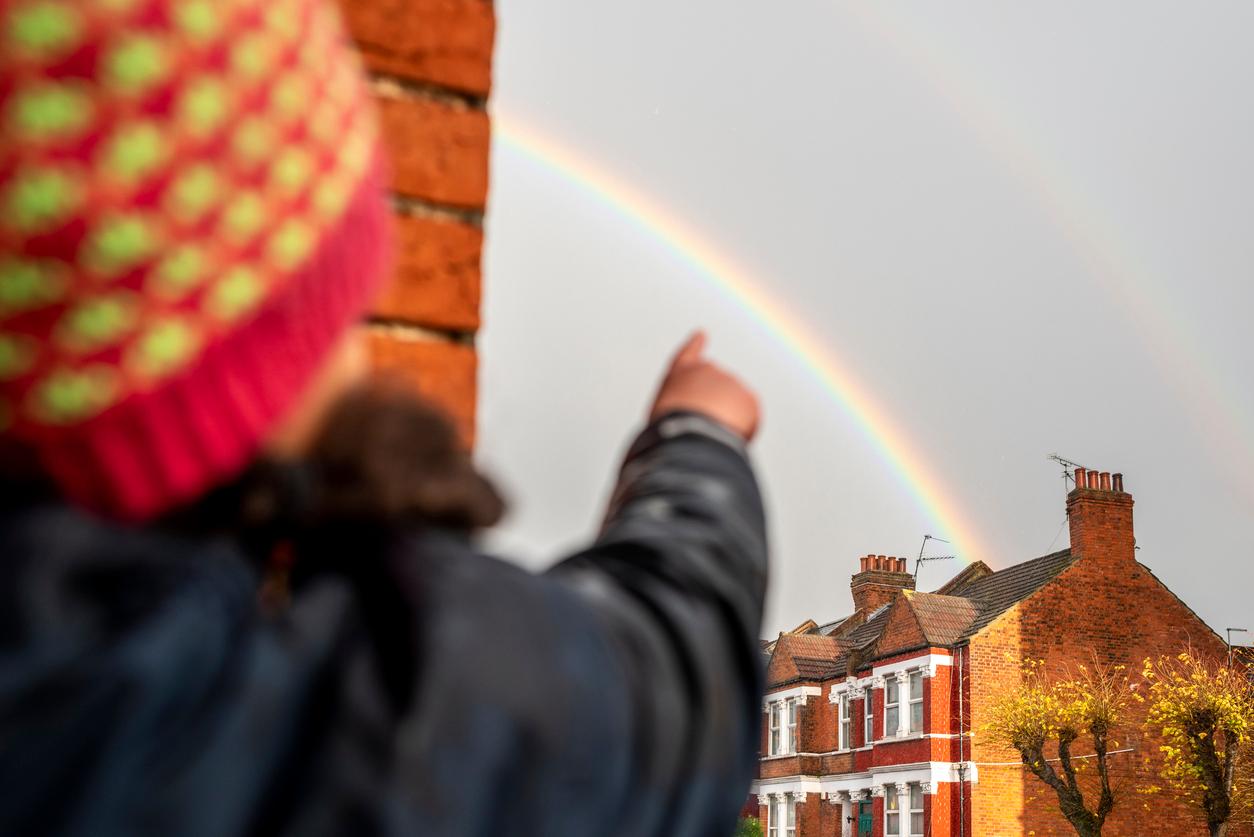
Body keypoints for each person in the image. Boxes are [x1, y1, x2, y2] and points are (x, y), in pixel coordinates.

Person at [0, 0, 769, 835]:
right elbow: (663, 689)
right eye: (342, 305)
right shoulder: (283, 730)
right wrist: (698, 438)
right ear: (260, 350)